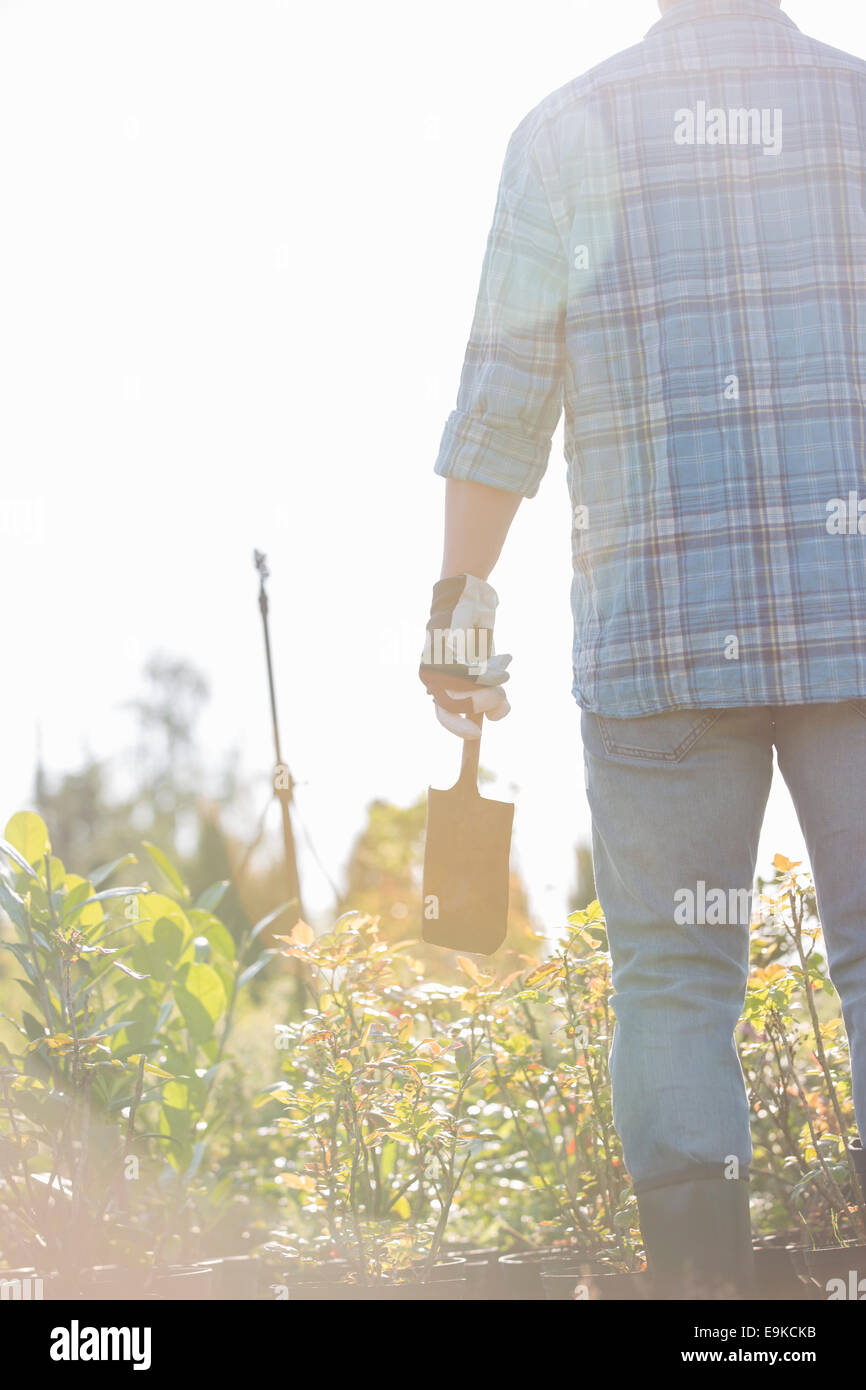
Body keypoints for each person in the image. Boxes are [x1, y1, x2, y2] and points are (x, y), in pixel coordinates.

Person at [419, 0, 866, 1298]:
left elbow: (501, 402)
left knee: (672, 982)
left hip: (656, 635)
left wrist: (458, 611)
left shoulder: (566, 135)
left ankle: (709, 1309)